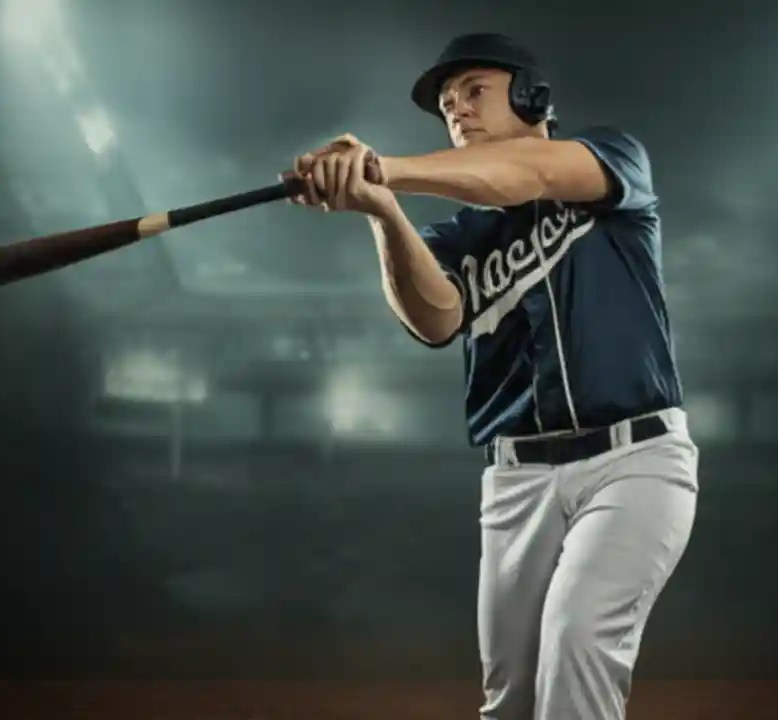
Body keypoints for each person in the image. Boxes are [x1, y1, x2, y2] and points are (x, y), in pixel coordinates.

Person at [287, 32, 700, 720]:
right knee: (509, 699)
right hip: (518, 479)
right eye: (448, 106)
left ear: (534, 97)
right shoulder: (459, 239)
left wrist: (380, 167)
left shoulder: (610, 157)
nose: (458, 113)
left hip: (636, 461)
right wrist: (381, 210)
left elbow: (528, 175)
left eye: (473, 91)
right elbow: (436, 321)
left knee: (577, 640)